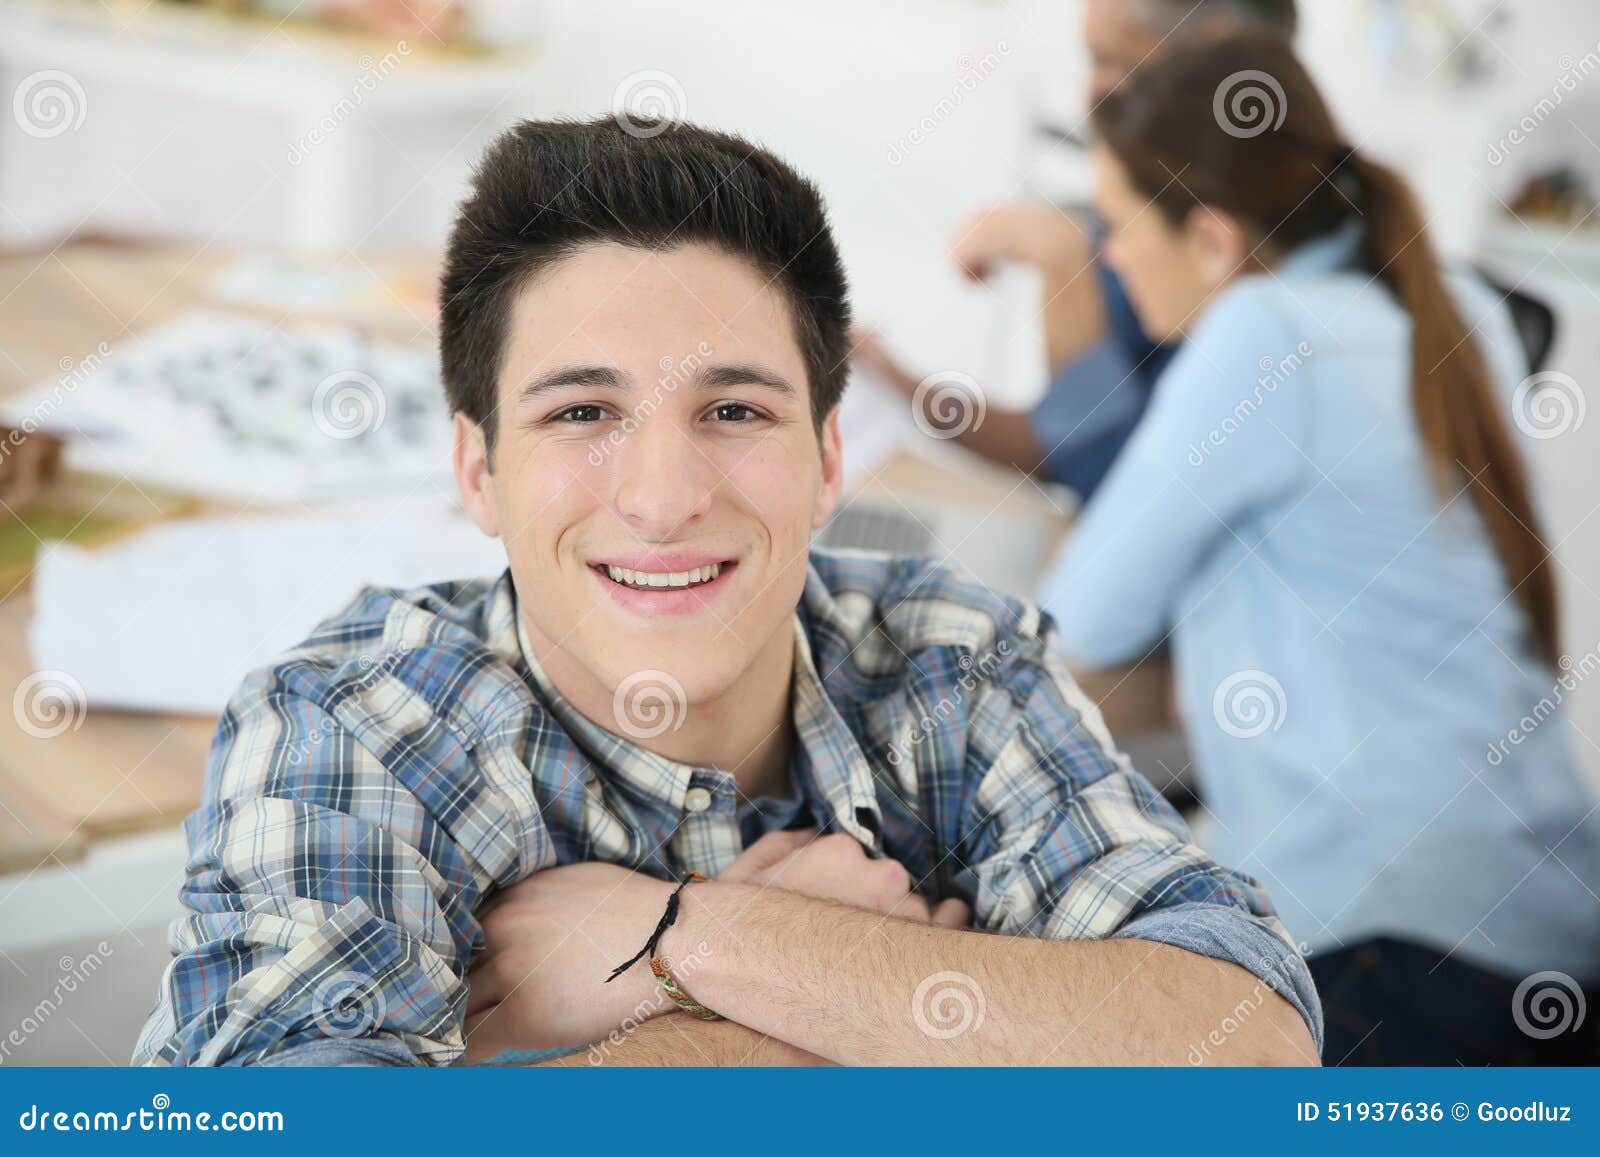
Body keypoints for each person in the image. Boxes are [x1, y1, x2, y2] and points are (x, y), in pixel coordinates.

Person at [133, 116, 1321, 1067]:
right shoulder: (356, 725)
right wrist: (842, 999)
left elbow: (1251, 1055)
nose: (662, 497)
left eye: (735, 411)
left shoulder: (953, 656)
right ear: (478, 470)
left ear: (827, 461)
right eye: (582, 412)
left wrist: (682, 935)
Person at [1043, 35, 1600, 1065]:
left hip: (1385, 950)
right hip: (1548, 920)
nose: (1108, 254)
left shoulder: (1265, 330)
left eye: (1116, 225)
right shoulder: (1458, 302)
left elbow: (1077, 616)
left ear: (1210, 238)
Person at [854, 0, 1298, 501]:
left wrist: (1064, 259)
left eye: (1113, 62)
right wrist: (895, 378)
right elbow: (1062, 443)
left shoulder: (1262, 275)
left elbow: (1110, 479)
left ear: (1216, 53)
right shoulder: (1147, 227)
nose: (1090, 95)